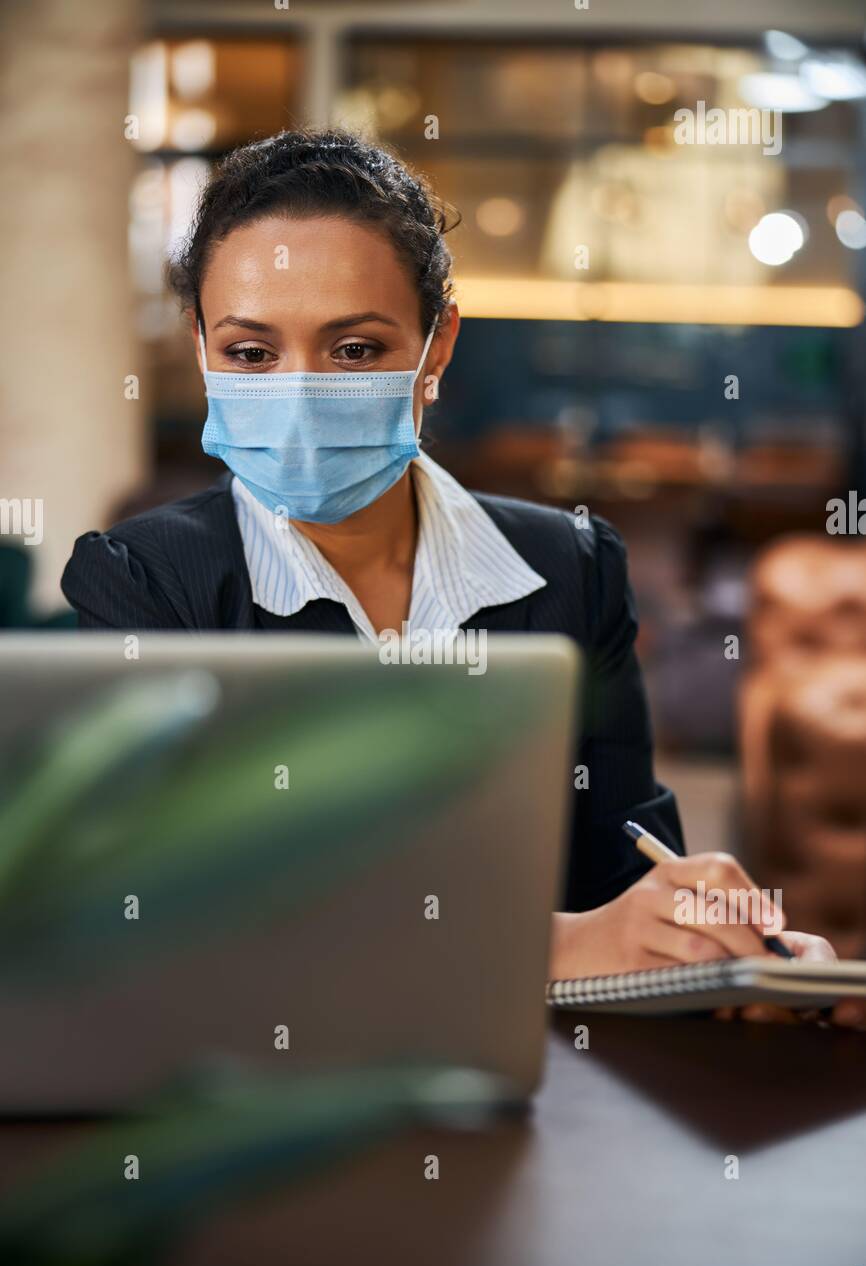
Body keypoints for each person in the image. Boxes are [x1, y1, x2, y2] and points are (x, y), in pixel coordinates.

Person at [61, 129, 864, 1027]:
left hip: (548, 1110)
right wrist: (559, 945)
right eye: (251, 354)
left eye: (355, 350)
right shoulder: (142, 581)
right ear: (203, 347)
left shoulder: (571, 568)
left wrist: (718, 955)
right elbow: (166, 923)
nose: (297, 393)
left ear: (437, 344)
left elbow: (624, 872)